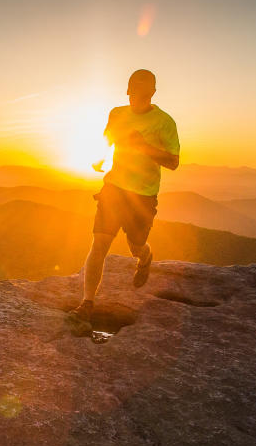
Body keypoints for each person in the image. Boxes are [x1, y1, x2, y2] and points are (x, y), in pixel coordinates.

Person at [69, 69, 180, 325]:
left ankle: (145, 258)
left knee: (135, 245)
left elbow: (173, 162)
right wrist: (100, 155)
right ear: (127, 90)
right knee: (99, 246)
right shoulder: (117, 113)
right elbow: (110, 135)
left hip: (143, 195)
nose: (136, 95)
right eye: (133, 89)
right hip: (114, 189)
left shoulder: (165, 122)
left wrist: (144, 147)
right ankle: (87, 304)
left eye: (143, 91)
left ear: (152, 93)